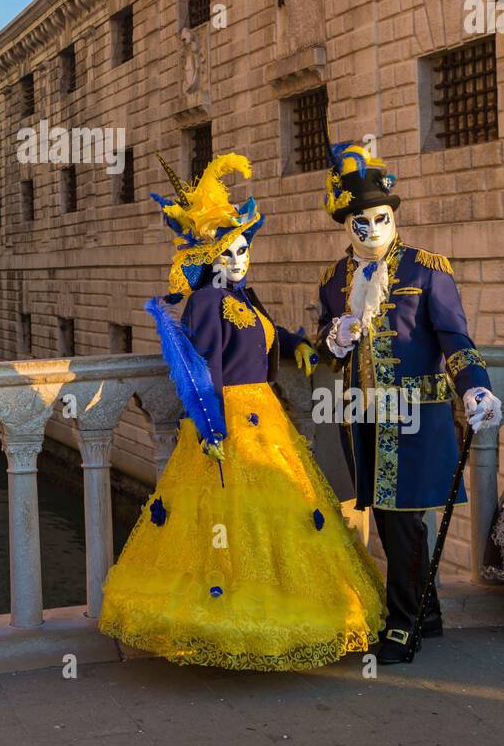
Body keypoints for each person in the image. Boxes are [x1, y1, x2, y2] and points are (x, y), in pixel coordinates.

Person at [98, 152, 386, 670]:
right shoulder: (209, 301)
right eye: (228, 254)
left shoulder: (241, 294)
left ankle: (274, 613)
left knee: (274, 524)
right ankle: (229, 627)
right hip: (230, 420)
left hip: (264, 418)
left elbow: (263, 333)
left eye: (243, 251)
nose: (238, 261)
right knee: (232, 524)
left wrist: (296, 342)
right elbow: (202, 365)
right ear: (210, 257)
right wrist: (211, 424)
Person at [315, 141, 502, 663]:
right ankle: (430, 612)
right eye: (359, 222)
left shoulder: (427, 270)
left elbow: (455, 339)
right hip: (363, 420)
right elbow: (325, 349)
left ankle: (403, 624)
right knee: (391, 519)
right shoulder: (335, 280)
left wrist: (476, 388)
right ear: (345, 225)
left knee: (402, 521)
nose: (370, 229)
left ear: (392, 216)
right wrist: (336, 338)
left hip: (419, 420)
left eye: (378, 218)